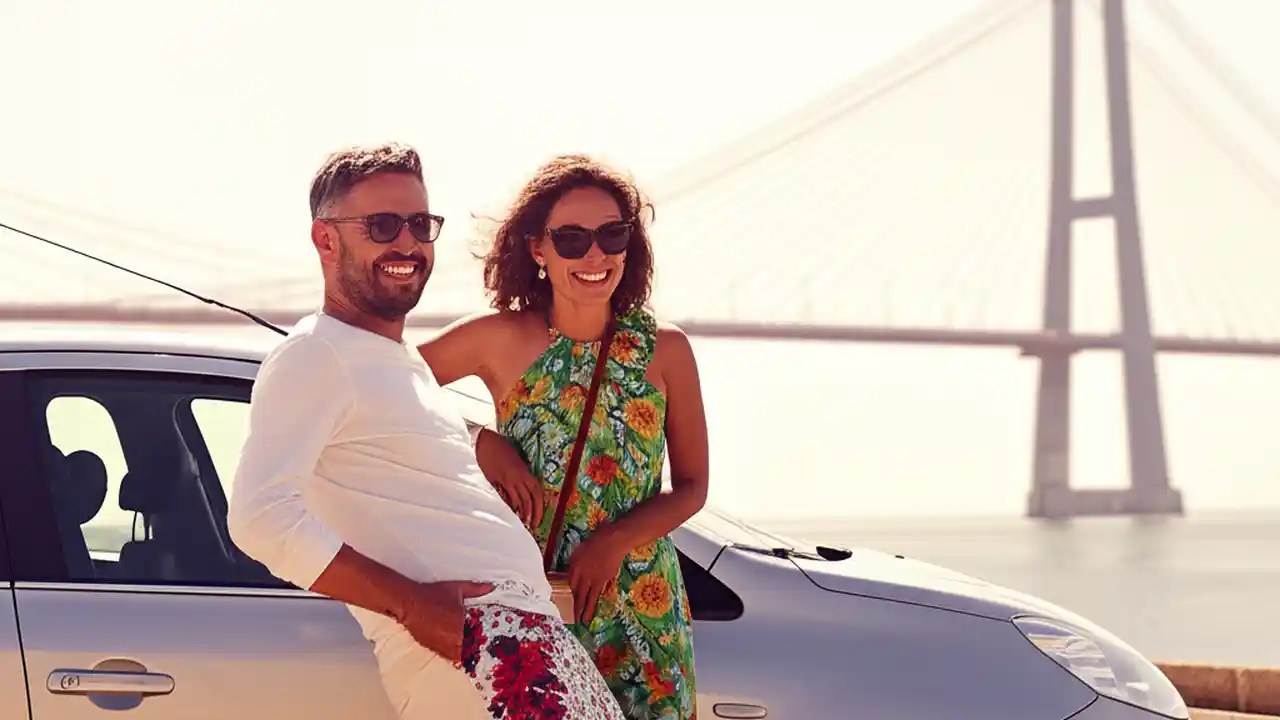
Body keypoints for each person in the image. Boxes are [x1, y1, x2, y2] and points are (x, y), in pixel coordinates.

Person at [227, 142, 625, 720]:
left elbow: (389, 438)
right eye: (382, 225)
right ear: (326, 239)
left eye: (419, 224)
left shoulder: (391, 361)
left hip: (529, 640)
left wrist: (478, 439)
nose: (407, 243)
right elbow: (260, 519)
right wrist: (412, 605)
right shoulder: (314, 355)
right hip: (473, 647)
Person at [417, 154, 708, 720]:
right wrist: (481, 441)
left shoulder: (666, 350)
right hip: (532, 601)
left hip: (644, 608)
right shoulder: (497, 338)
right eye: (571, 239)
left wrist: (613, 542)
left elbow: (692, 487)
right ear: (537, 249)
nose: (594, 254)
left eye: (611, 234)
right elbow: (385, 393)